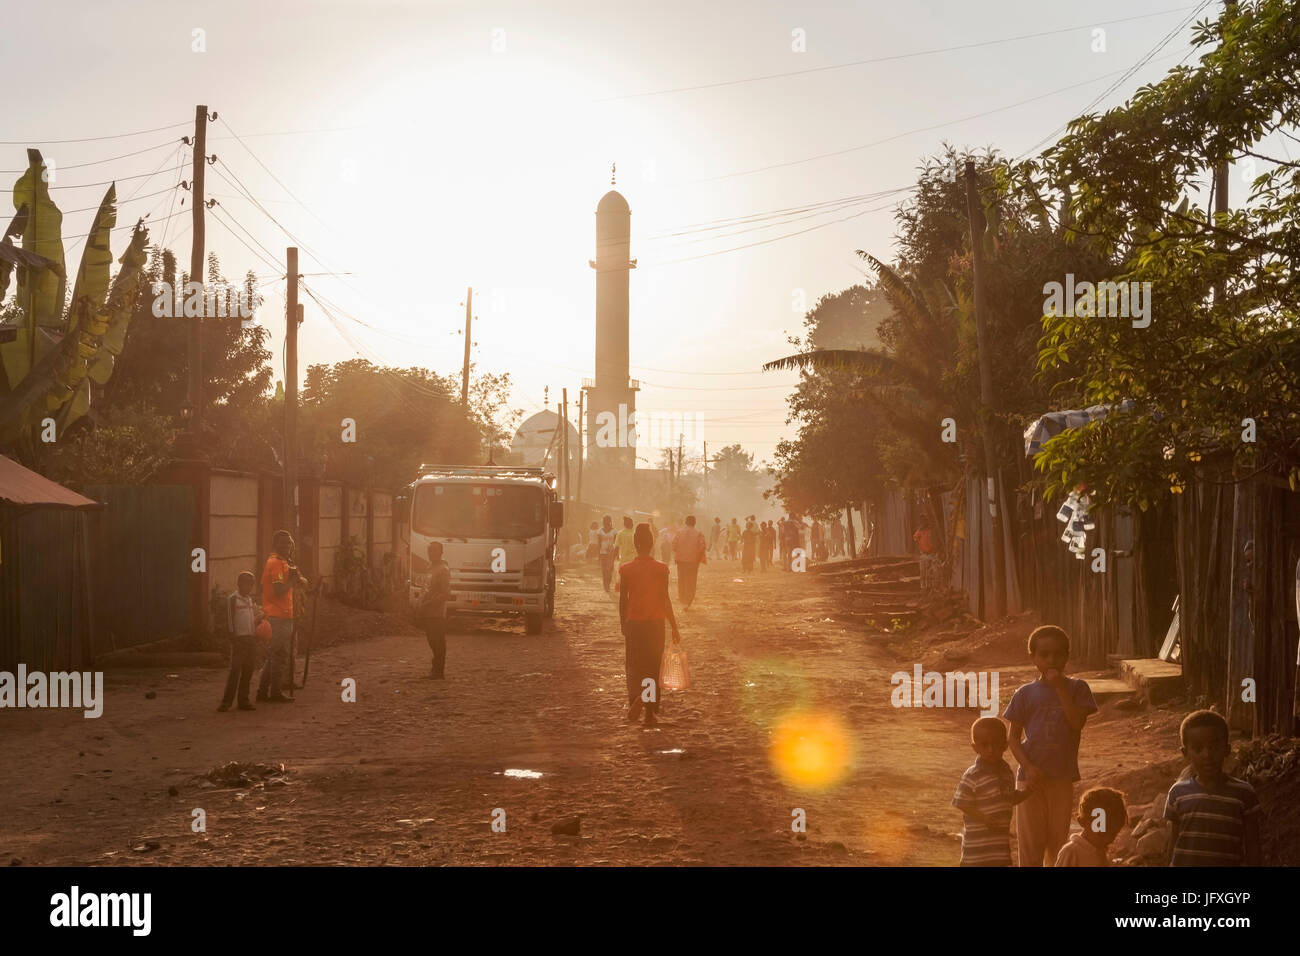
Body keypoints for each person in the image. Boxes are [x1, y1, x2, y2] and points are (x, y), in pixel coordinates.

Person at [1004, 625, 1098, 866]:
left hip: (1061, 778)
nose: (1051, 660)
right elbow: (1013, 737)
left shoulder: (1078, 689)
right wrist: (1028, 765)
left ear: (1067, 656)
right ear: (1032, 657)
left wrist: (1059, 687)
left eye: (1058, 654)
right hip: (1030, 779)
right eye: (1044, 655)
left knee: (1057, 845)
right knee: (1030, 845)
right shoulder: (1024, 694)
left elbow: (1076, 723)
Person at [1164, 710, 1262, 866]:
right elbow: (1174, 841)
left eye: (1214, 747)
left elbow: (1253, 845)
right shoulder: (1177, 793)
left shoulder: (1244, 793)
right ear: (1185, 753)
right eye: (1198, 749)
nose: (1207, 755)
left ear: (1227, 749)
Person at [618, 523, 681, 728]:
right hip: (655, 625)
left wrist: (623, 624)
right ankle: (649, 711)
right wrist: (674, 625)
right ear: (652, 544)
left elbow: (623, 601)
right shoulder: (661, 569)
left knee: (635, 666)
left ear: (636, 544)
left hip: (634, 624)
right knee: (653, 668)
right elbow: (665, 599)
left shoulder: (626, 570)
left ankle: (637, 697)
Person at [952, 717, 1034, 866]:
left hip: (998, 849)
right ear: (975, 747)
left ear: (1005, 745)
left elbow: (1008, 798)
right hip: (976, 850)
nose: (990, 749)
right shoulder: (973, 774)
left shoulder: (1006, 772)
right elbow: (961, 803)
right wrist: (984, 819)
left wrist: (1027, 792)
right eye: (984, 745)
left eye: (996, 744)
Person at [257, 530, 308, 703]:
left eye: (288, 543)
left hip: (285, 614)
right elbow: (279, 590)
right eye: (282, 543)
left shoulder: (286, 563)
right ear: (275, 545)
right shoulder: (277, 564)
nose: (286, 546)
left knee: (275, 655)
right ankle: (275, 691)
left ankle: (263, 691)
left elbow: (303, 583)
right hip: (278, 616)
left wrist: (297, 579)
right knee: (279, 654)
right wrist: (293, 581)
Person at [218, 571, 260, 712]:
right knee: (235, 671)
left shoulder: (249, 600)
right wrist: (233, 638)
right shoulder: (233, 599)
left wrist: (260, 620)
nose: (247, 587)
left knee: (248, 670)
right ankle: (226, 702)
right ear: (239, 584)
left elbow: (252, 619)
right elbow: (229, 620)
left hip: (251, 639)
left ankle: (243, 700)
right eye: (245, 583)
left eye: (250, 584)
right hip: (239, 640)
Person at [1055, 787, 1127, 866]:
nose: (1108, 839)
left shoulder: (1100, 851)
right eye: (1101, 834)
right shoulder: (1071, 852)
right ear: (1082, 822)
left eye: (1113, 834)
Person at [417, 541, 453, 678]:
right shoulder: (430, 567)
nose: (432, 553)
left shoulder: (443, 570)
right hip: (428, 612)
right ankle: (436, 670)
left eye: (435, 550)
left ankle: (438, 672)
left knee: (437, 642)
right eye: (430, 550)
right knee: (432, 641)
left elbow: (446, 593)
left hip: (436, 613)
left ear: (441, 552)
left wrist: (429, 603)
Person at [672, 515, 706, 608]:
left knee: (681, 580)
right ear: (694, 523)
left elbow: (674, 545)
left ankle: (683, 599)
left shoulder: (679, 532)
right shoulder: (699, 533)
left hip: (680, 560)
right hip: (693, 561)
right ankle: (688, 600)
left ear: (685, 522)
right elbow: (702, 547)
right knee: (691, 580)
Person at [914, 513, 939, 591]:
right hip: (924, 554)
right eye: (922, 521)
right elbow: (915, 538)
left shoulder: (931, 530)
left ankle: (932, 587)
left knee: (932, 571)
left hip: (932, 553)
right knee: (923, 571)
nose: (923, 522)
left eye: (924, 521)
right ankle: (924, 588)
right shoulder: (920, 531)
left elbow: (935, 540)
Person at [597, 514, 618, 592]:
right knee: (604, 570)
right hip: (602, 552)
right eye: (605, 521)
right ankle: (606, 585)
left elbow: (616, 543)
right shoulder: (599, 531)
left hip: (611, 553)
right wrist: (598, 554)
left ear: (609, 521)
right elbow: (599, 543)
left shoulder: (614, 531)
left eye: (607, 521)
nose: (606, 522)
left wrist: (616, 554)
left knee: (609, 570)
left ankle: (607, 584)